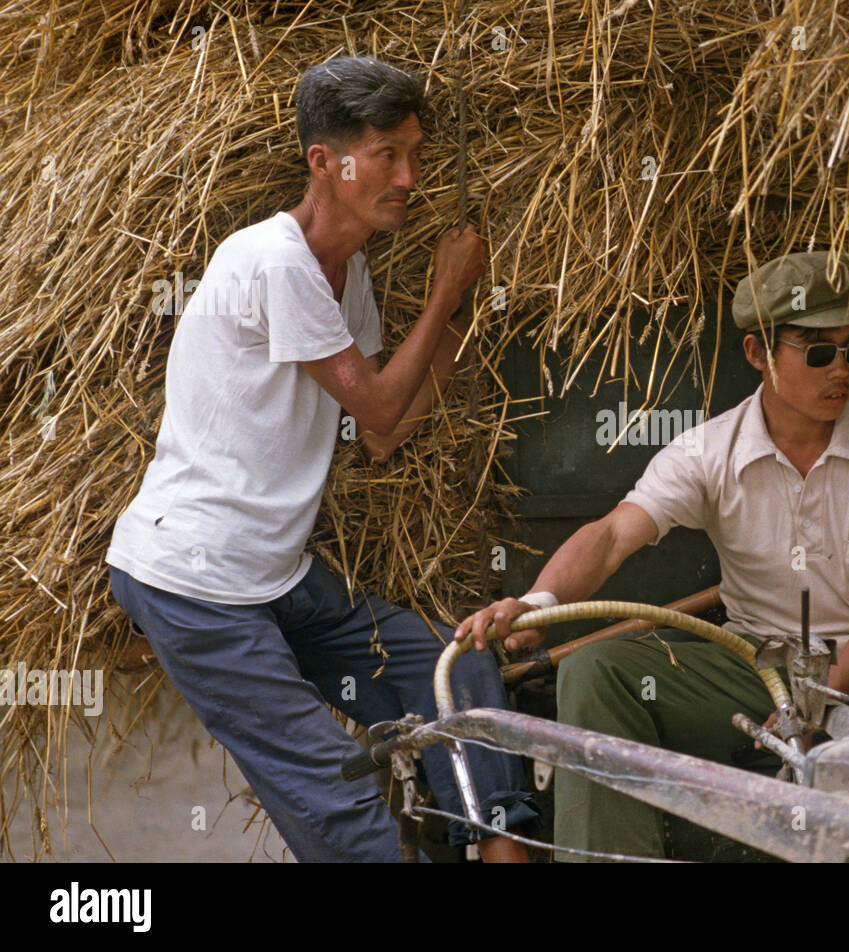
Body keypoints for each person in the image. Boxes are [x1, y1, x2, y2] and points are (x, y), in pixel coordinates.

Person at [455, 251, 849, 861]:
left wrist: (818, 701)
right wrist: (535, 603)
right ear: (757, 353)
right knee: (596, 673)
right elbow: (613, 534)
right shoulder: (706, 451)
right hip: (756, 669)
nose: (843, 370)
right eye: (819, 352)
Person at [107, 56, 539, 862]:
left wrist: (456, 322)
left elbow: (383, 432)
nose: (409, 176)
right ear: (324, 162)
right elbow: (376, 403)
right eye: (386, 155)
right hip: (195, 581)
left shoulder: (352, 276)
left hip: (272, 573)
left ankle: (499, 842)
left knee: (453, 662)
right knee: (337, 796)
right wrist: (444, 293)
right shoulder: (275, 260)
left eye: (415, 154)